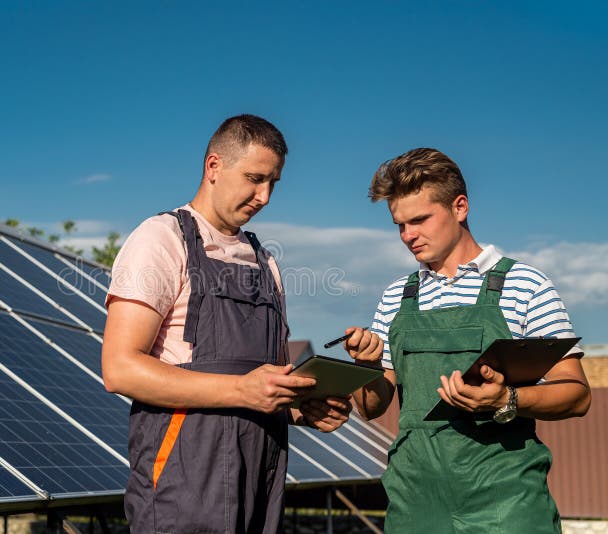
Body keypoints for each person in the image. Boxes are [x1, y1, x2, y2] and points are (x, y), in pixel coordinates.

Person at [101, 114, 351, 533]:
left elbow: (259, 386)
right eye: (254, 178)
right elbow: (119, 367)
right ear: (213, 167)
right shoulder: (162, 238)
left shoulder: (265, 262)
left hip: (261, 480)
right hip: (183, 485)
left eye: (273, 183)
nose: (265, 196)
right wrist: (242, 390)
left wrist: (301, 409)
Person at [343, 148, 591, 533]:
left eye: (420, 220)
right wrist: (366, 364)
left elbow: (577, 394)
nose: (409, 236)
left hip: (506, 506)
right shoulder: (396, 297)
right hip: (415, 506)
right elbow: (371, 407)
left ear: (460, 207)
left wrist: (507, 400)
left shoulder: (525, 285)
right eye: (400, 225)